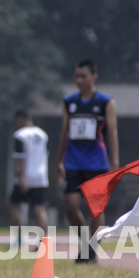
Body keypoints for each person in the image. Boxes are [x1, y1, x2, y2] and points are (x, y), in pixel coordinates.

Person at [56, 60, 119, 263]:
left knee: (96, 209)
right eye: (76, 76)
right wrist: (59, 161)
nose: (79, 80)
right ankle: (85, 243)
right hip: (73, 163)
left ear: (94, 77)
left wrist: (114, 163)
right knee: (70, 206)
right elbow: (64, 132)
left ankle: (91, 250)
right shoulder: (69, 102)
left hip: (97, 163)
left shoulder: (105, 102)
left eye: (83, 76)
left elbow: (112, 132)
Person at [8, 110, 49, 248]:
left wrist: (22, 179)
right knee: (39, 208)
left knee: (14, 204)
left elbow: (21, 158)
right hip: (41, 176)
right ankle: (43, 242)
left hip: (26, 176)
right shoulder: (43, 134)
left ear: (20, 119)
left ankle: (19, 239)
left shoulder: (20, 135)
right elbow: (45, 155)